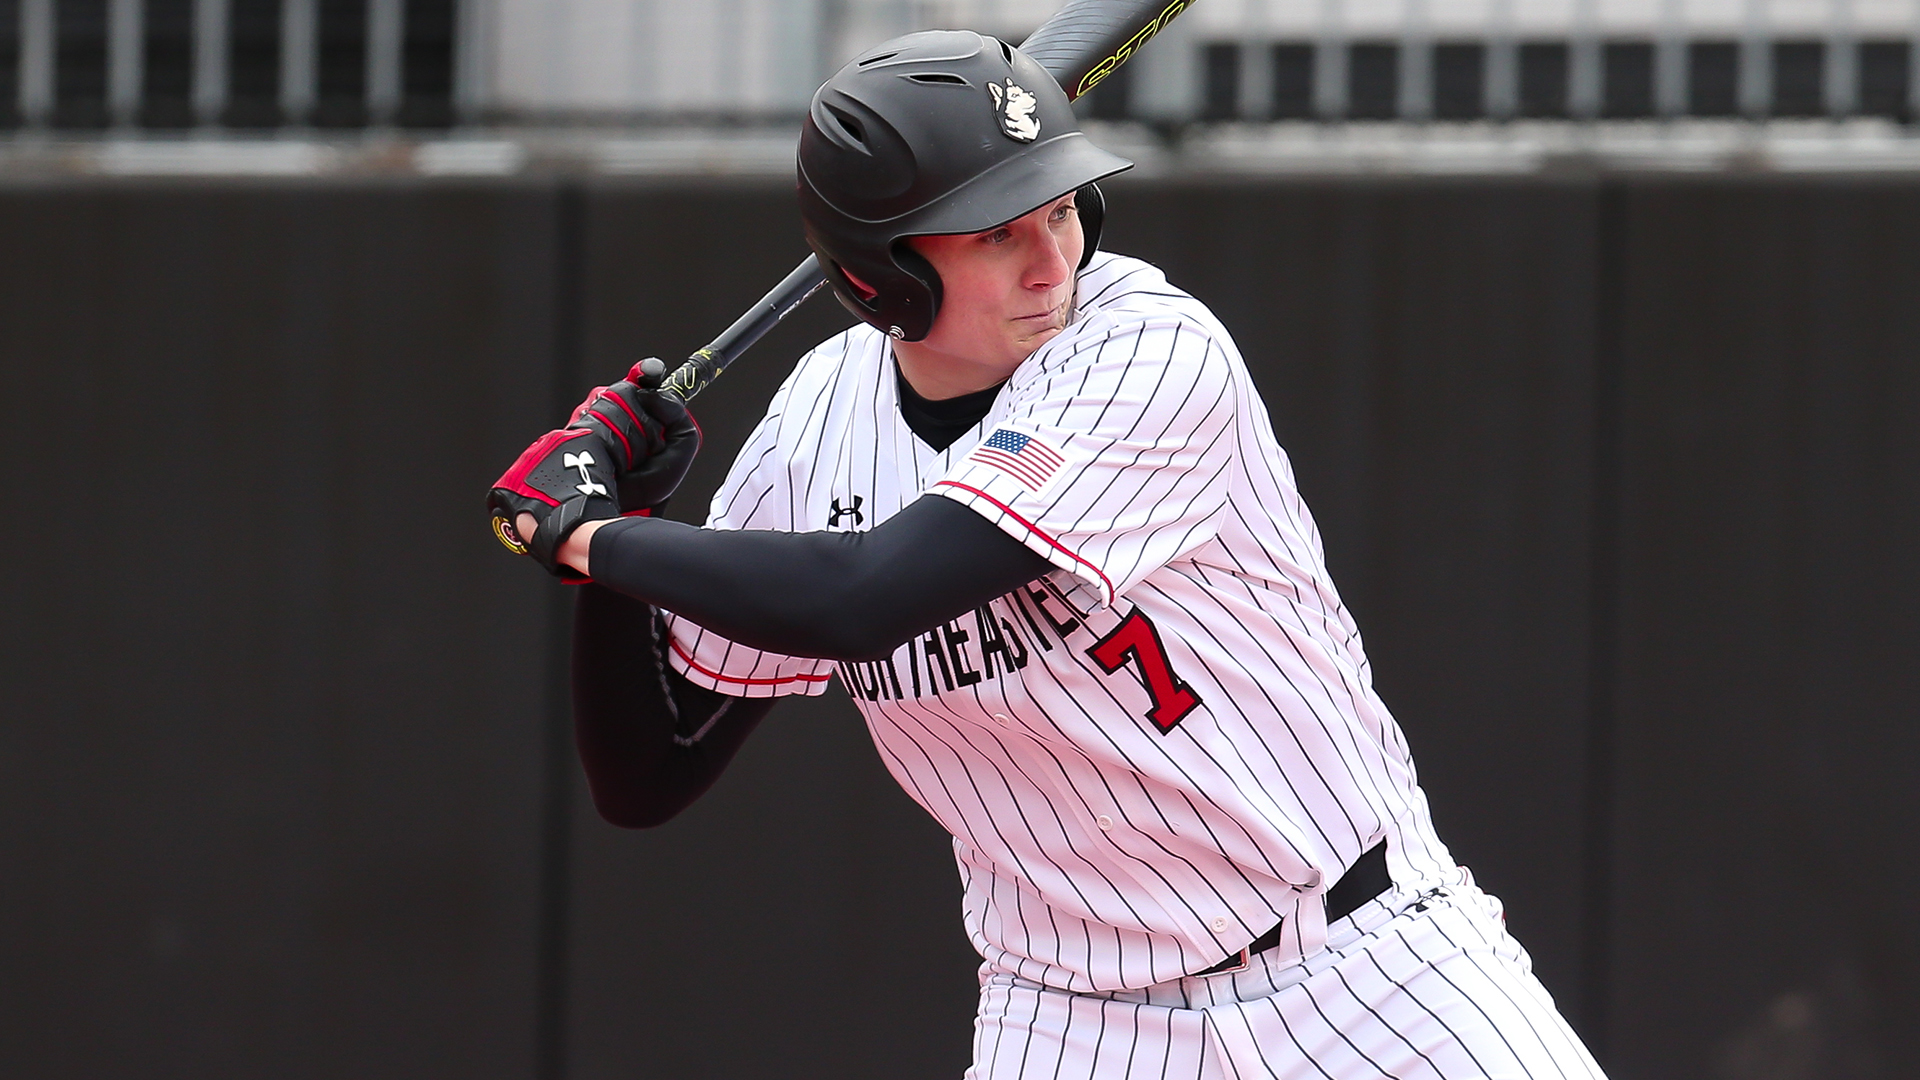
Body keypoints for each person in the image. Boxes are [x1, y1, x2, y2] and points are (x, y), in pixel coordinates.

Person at [488, 29, 1609, 1080]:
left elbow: (869, 596)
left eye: (1062, 206)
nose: (1049, 260)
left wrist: (594, 538)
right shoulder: (820, 423)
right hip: (1072, 1018)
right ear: (884, 278)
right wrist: (615, 548)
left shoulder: (1148, 346)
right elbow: (650, 771)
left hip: (1364, 968)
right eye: (995, 232)